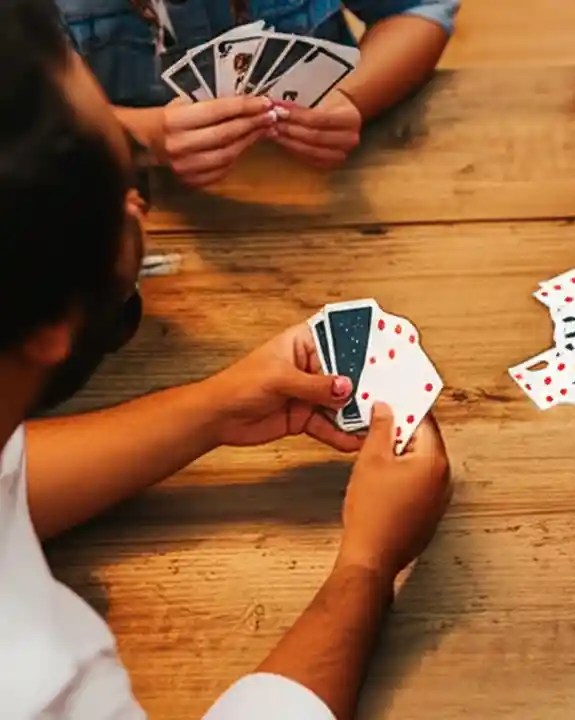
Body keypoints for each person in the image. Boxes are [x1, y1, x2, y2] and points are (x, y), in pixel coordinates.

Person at [0, 3, 451, 718]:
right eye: (120, 179)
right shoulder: (42, 680)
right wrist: (365, 568)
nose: (136, 202)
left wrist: (213, 407)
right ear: (52, 323)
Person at [60, 0, 458, 186]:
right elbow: (29, 108)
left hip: (327, 191)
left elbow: (419, 9)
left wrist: (353, 97)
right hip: (128, 206)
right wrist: (142, 137)